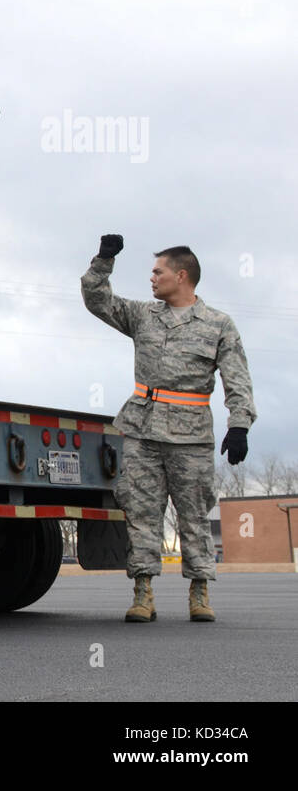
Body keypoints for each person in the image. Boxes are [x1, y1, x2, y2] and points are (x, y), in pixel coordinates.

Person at [81, 235, 256, 622]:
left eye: (158, 272)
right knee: (141, 513)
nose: (152, 278)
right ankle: (143, 593)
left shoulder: (218, 325)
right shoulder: (144, 315)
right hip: (143, 431)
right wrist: (103, 261)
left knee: (194, 515)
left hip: (192, 438)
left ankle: (200, 593)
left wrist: (239, 424)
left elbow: (237, 378)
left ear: (181, 276)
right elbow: (97, 300)